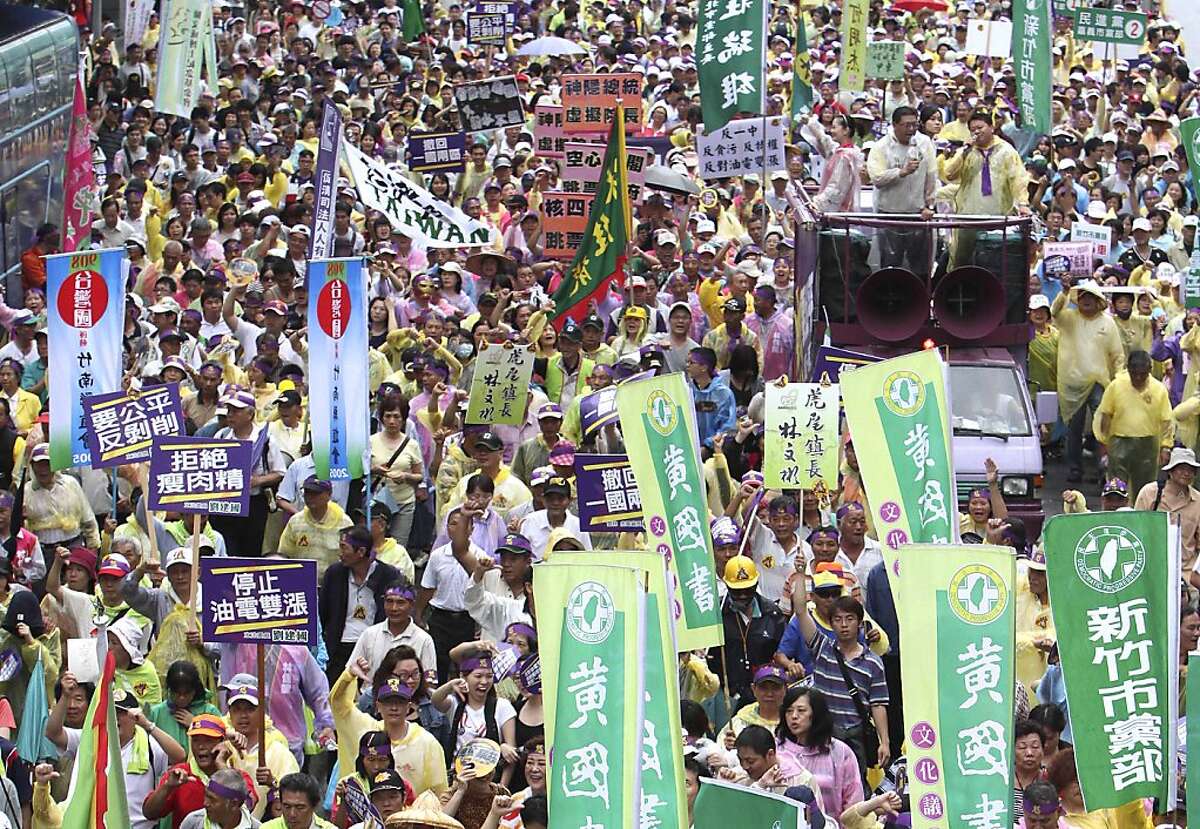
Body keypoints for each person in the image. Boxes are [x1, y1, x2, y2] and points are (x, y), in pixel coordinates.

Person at [1051, 281, 1125, 484]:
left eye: (1091, 297)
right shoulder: (1069, 318)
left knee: (1103, 427)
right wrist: (1064, 292)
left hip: (1099, 382)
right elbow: (1055, 311)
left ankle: (1104, 469)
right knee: (1073, 429)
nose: (1086, 300)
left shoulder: (1108, 322)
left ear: (1098, 300)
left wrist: (1119, 378)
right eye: (1083, 296)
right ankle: (1075, 468)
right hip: (1073, 383)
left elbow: (1117, 355)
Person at [944, 109, 1031, 268]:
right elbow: (949, 174)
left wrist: (1023, 203)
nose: (976, 132)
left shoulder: (1006, 151)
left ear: (991, 127)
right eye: (973, 129)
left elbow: (1018, 178)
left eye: (980, 128)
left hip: (998, 215)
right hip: (968, 215)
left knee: (993, 262)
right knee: (961, 260)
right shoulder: (967, 151)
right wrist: (964, 151)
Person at [866, 105, 937, 277]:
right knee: (891, 266)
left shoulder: (924, 143)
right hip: (890, 214)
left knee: (920, 268)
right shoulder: (881, 146)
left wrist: (930, 205)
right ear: (895, 125)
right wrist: (901, 172)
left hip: (918, 214)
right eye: (906, 125)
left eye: (914, 124)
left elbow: (931, 176)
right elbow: (876, 178)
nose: (911, 129)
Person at [774, 686, 863, 817]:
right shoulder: (775, 750)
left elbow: (854, 801)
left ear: (816, 713)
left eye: (801, 710)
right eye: (789, 711)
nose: (794, 716)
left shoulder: (840, 752)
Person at [1096, 349, 1173, 497]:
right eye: (1134, 374)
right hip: (1119, 441)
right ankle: (1117, 511)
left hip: (1148, 443)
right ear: (1128, 369)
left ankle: (1141, 511)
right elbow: (1106, 415)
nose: (1138, 378)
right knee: (1116, 487)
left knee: (1145, 489)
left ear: (1150, 370)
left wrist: (1166, 446)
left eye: (1142, 374)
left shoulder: (1159, 389)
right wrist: (1104, 443)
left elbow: (1166, 421)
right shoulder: (1116, 386)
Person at [1134, 448, 1200, 579]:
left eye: (1191, 469)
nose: (1187, 473)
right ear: (1171, 470)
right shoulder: (1149, 492)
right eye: (1181, 468)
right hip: (1151, 568)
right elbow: (1135, 528)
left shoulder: (1198, 500)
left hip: (1185, 571)